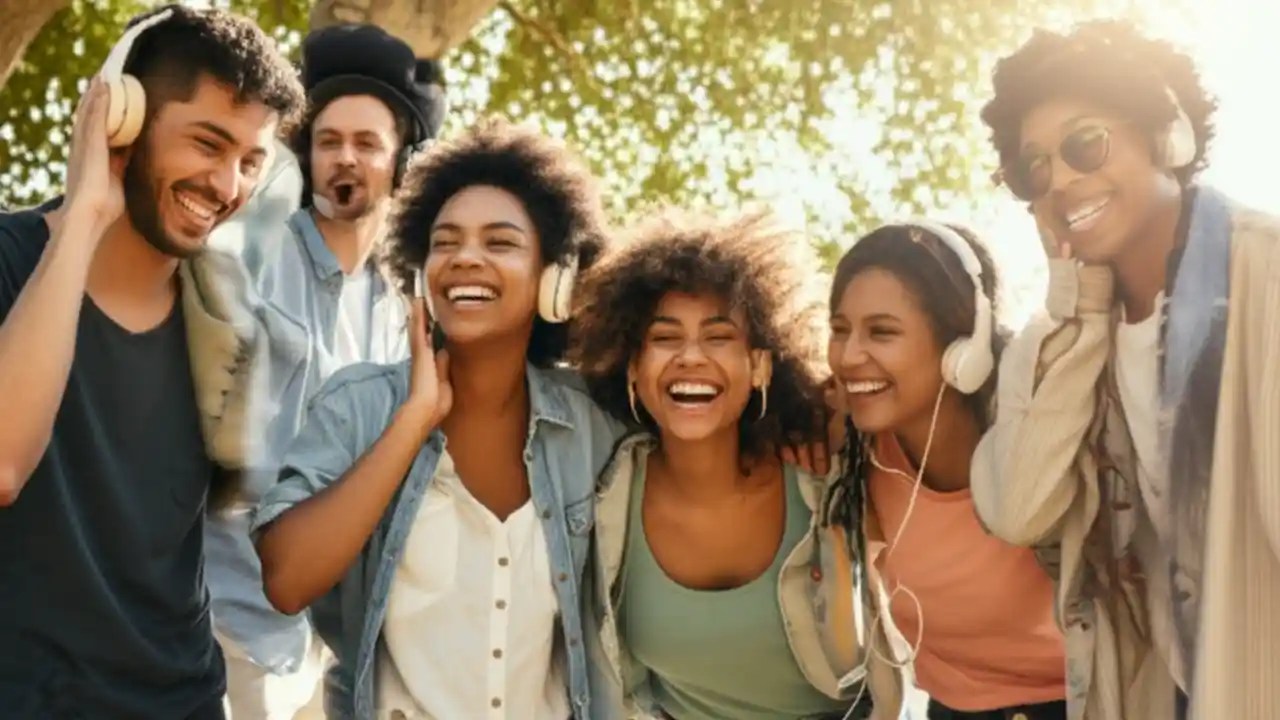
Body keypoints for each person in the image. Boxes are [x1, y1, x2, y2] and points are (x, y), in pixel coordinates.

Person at [250, 117, 624, 719]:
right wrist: (413, 423)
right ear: (421, 272)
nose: (466, 259)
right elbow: (286, 581)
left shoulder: (596, 424)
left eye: (500, 243)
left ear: (555, 279)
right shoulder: (361, 405)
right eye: (446, 242)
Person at [0, 5, 304, 718]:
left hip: (185, 701)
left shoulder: (232, 326)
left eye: (250, 162)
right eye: (207, 143)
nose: (228, 185)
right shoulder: (10, 262)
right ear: (123, 124)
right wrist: (82, 217)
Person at [972, 19, 1280, 719]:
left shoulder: (1265, 275)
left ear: (1165, 133)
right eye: (1034, 168)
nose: (1063, 181)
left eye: (1086, 144)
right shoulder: (1072, 333)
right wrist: (1076, 309)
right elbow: (1019, 509)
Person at [204, 24, 448, 719]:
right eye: (329, 140)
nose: (346, 159)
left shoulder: (409, 310)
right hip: (218, 619)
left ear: (402, 162)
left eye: (367, 144)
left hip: (328, 649)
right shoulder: (243, 255)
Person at [570, 209, 900, 720]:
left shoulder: (822, 473)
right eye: (664, 338)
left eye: (719, 336)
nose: (691, 357)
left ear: (761, 366)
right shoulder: (602, 491)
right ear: (632, 369)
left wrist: (830, 412)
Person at [826, 221, 1067, 720]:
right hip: (956, 709)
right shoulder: (850, 445)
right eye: (840, 330)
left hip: (1088, 699)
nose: (849, 356)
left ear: (964, 347)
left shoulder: (1037, 428)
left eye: (882, 332)